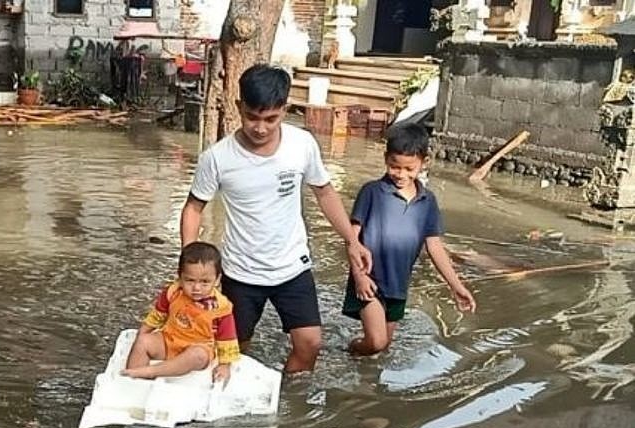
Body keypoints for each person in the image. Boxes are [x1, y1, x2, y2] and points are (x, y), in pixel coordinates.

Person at [180, 64, 372, 374]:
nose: (260, 128)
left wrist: (352, 241)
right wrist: (189, 264)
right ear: (239, 107)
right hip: (240, 272)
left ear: (284, 109)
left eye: (271, 118)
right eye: (252, 117)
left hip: (292, 267)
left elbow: (324, 193)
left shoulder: (301, 145)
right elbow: (193, 208)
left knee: (310, 344)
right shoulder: (217, 158)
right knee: (231, 351)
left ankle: (286, 401)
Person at [343, 123, 476, 355]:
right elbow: (352, 239)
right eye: (395, 167)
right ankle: (350, 349)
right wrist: (359, 276)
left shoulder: (428, 202)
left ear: (424, 163)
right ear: (386, 159)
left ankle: (363, 378)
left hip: (398, 286)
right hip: (368, 280)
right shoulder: (371, 192)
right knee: (376, 343)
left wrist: (456, 286)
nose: (401, 174)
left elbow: (434, 247)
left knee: (383, 349)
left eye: (409, 169)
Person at [123, 241, 240, 383]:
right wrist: (141, 335)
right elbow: (157, 315)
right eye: (190, 280)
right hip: (170, 340)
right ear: (180, 276)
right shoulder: (173, 292)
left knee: (197, 355)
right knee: (143, 341)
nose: (197, 288)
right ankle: (131, 382)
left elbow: (227, 339)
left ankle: (150, 372)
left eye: (205, 282)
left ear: (217, 280)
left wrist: (224, 365)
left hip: (199, 347)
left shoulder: (221, 307)